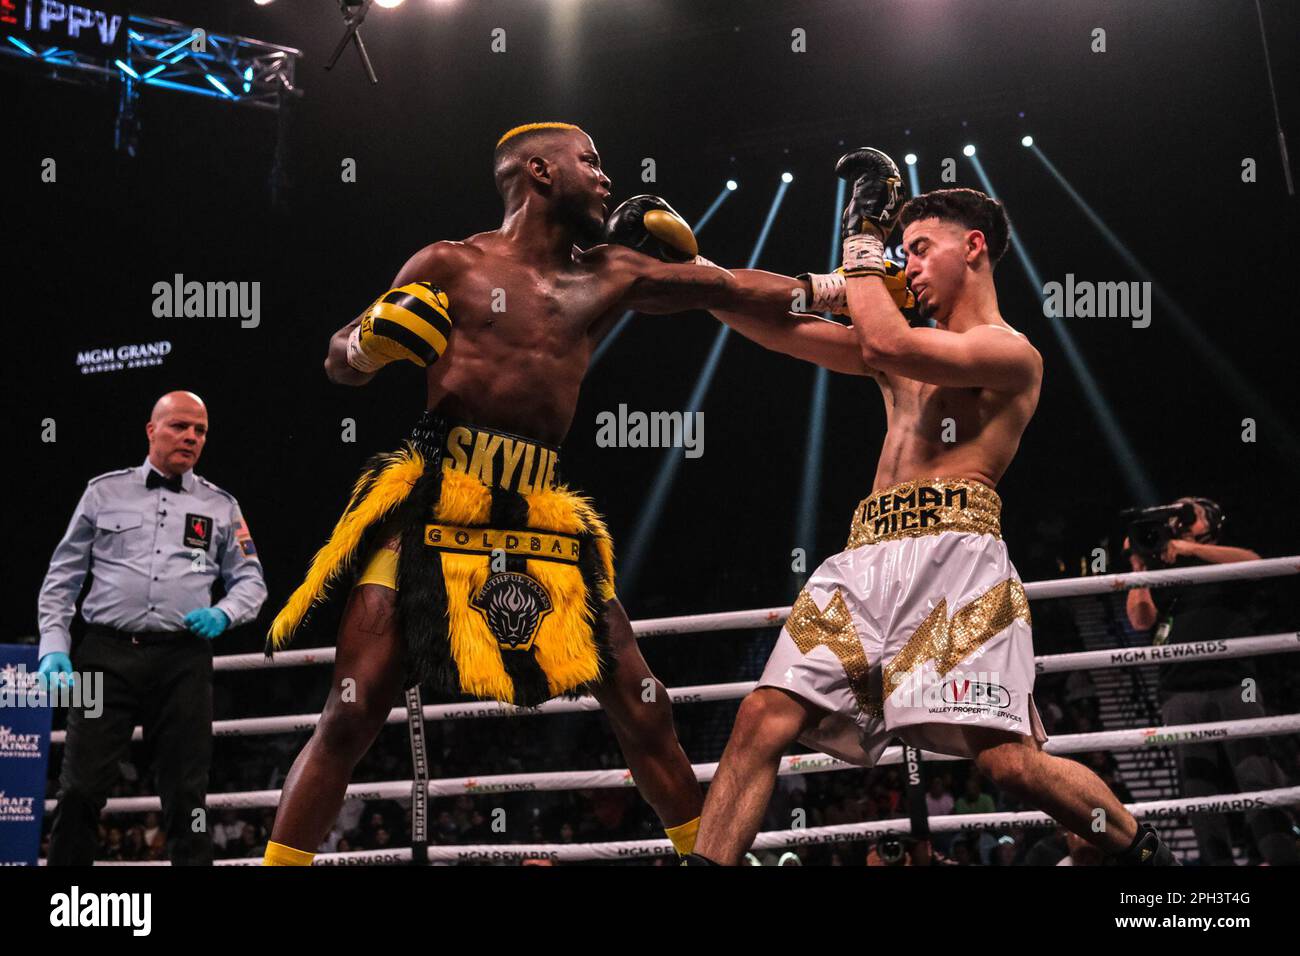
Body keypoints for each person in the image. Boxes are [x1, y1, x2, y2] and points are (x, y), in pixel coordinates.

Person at [260, 122, 815, 865]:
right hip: (437, 499)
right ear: (540, 171)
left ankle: (707, 858)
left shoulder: (611, 271)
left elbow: (730, 287)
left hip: (540, 514)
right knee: (350, 713)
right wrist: (365, 342)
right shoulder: (450, 263)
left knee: (642, 705)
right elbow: (337, 363)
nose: (608, 178)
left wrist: (846, 285)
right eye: (591, 161)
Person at [685, 149, 1175, 866]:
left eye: (919, 249)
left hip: (956, 553)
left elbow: (885, 338)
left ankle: (1138, 853)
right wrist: (688, 277)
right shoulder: (900, 345)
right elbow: (776, 322)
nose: (906, 265)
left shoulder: (1011, 354)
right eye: (900, 251)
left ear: (973, 247)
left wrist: (858, 248)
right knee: (762, 717)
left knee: (1006, 764)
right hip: (862, 560)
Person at [38, 390, 268, 865]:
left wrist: (224, 613)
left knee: (189, 797)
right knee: (78, 787)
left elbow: (251, 580)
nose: (190, 437)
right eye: (179, 426)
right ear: (151, 430)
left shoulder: (221, 505)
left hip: (182, 659)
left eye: (200, 430)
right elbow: (63, 576)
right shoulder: (103, 492)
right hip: (103, 654)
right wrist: (52, 645)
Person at [1125, 498, 1298, 865]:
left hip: (1234, 681)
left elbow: (1255, 563)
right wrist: (1138, 566)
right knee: (1198, 786)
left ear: (1214, 525)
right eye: (1179, 512)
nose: (1182, 516)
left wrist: (1189, 547)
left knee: (1255, 774)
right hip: (1178, 687)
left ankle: (1280, 858)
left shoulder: (1223, 560)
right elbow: (1141, 621)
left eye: (1192, 512)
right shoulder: (1163, 569)